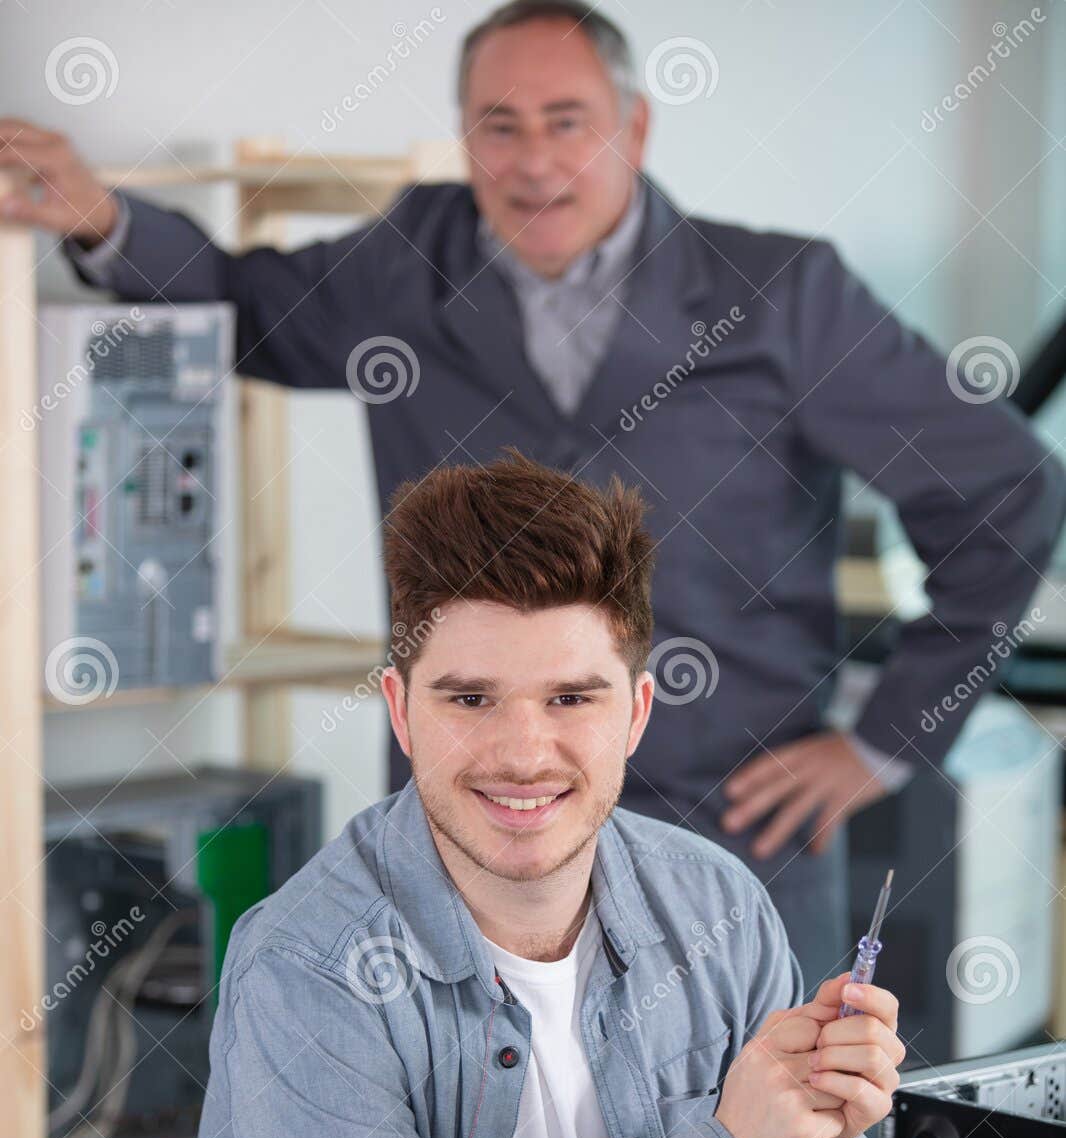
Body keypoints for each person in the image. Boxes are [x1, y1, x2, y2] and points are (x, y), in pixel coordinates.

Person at [6, 4, 1055, 987]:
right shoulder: (407, 268)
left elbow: (1005, 488)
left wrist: (886, 743)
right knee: (466, 1120)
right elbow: (244, 302)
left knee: (753, 1119)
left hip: (724, 834)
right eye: (498, 127)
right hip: (466, 842)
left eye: (568, 122)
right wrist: (101, 219)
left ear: (634, 129)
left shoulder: (781, 296)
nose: (535, 162)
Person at [158, 452, 911, 1138]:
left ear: (636, 712)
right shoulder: (308, 969)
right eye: (470, 698)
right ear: (400, 711)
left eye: (571, 698)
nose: (523, 752)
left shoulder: (716, 910)